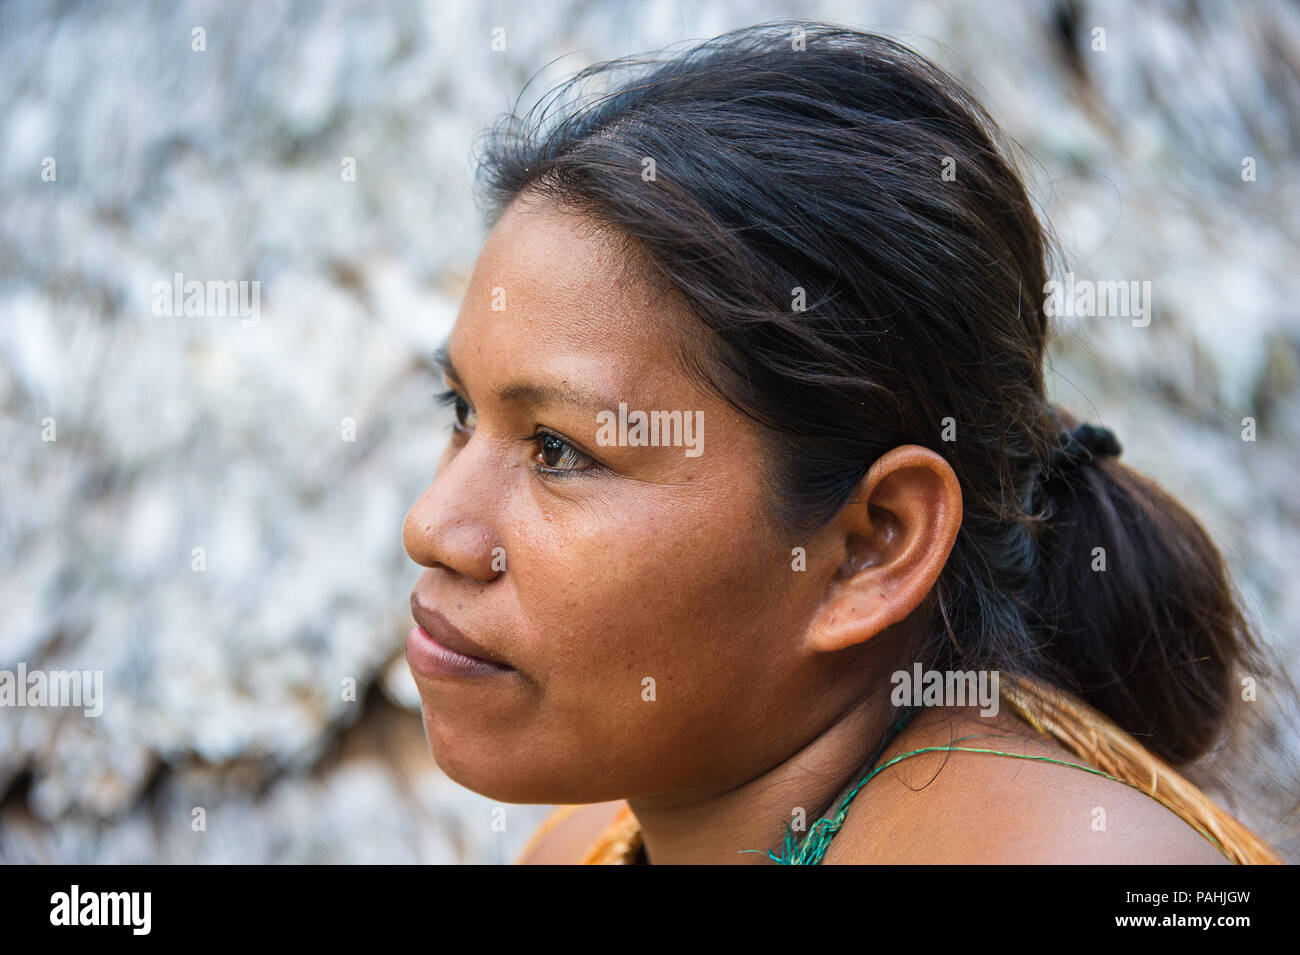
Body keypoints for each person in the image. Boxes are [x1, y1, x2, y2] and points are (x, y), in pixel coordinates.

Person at [401, 20, 1282, 864]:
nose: (432, 525)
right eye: (460, 411)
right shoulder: (587, 838)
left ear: (872, 545)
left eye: (558, 448)